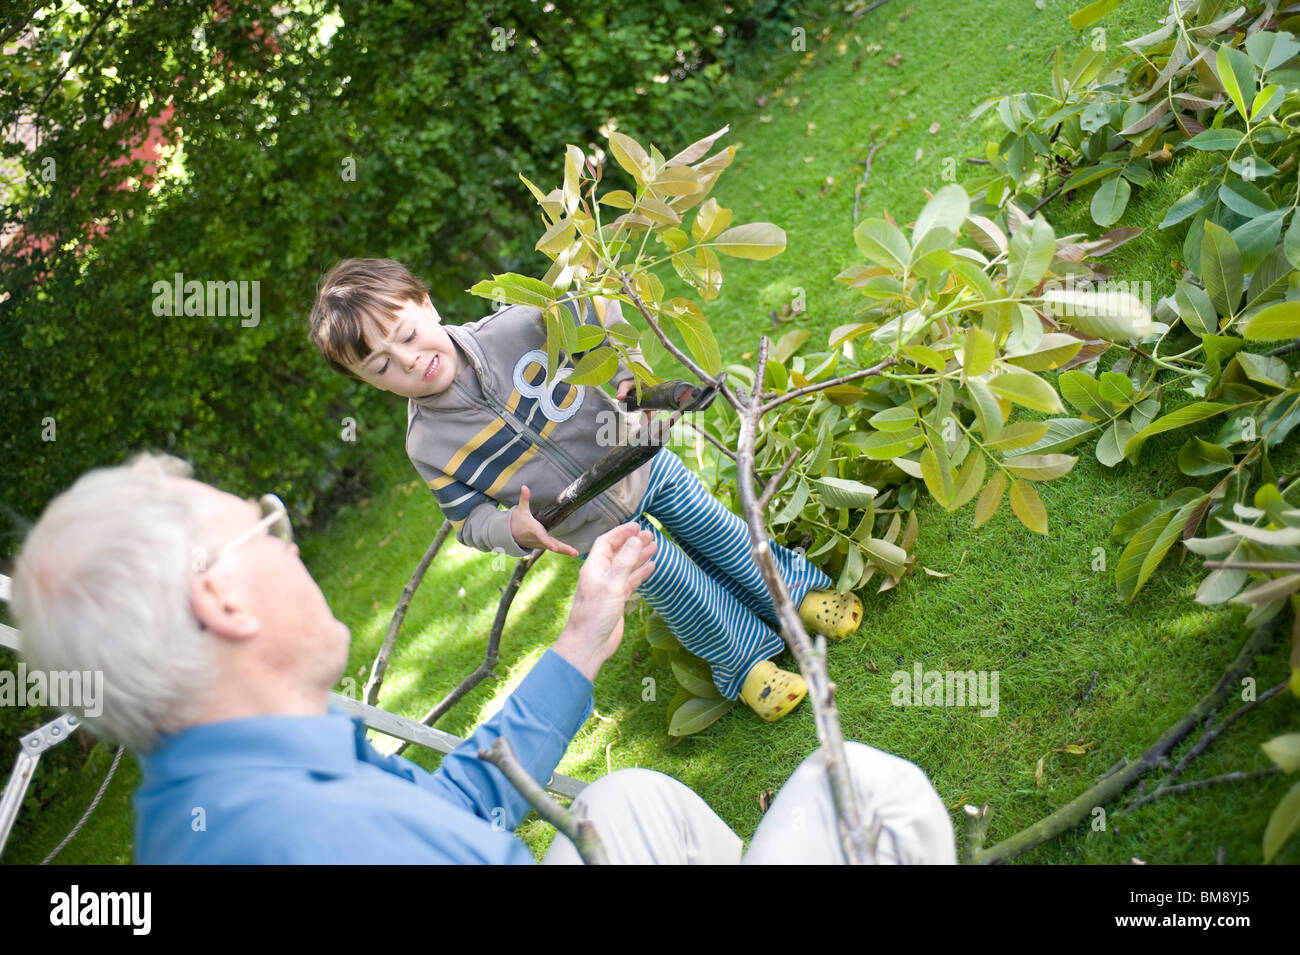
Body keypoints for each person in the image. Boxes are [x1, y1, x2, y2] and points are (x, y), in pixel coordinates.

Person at [11, 453, 955, 864]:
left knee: (620, 801)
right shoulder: (299, 842)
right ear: (219, 596)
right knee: (863, 787)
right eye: (266, 526)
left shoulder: (256, 769)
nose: (291, 545)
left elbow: (453, 806)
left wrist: (580, 643)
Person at [307, 258, 864, 722]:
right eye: (383, 366)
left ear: (426, 304)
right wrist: (512, 530)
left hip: (641, 461)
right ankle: (745, 663)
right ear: (369, 382)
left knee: (721, 532)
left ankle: (797, 592)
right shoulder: (427, 443)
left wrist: (626, 374)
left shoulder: (518, 326)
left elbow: (599, 318)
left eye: (406, 334)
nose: (408, 360)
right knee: (675, 587)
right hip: (592, 529)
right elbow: (467, 521)